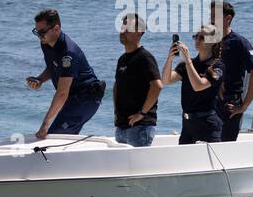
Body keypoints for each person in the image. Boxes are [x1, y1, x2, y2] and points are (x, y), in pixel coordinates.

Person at [25, 9, 104, 139]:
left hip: (86, 98)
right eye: (36, 32)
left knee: (54, 136)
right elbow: (53, 66)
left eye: (42, 32)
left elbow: (62, 93)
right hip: (72, 99)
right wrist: (40, 79)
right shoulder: (46, 43)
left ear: (56, 29)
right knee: (59, 137)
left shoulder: (68, 53)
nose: (39, 36)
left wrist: (44, 125)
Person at [162, 24, 224, 144]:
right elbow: (166, 80)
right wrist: (170, 58)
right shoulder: (188, 64)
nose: (197, 40)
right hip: (188, 123)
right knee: (184, 161)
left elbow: (199, 86)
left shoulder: (217, 66)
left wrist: (188, 60)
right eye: (196, 36)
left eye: (202, 37)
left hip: (206, 122)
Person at [209, 0, 253, 141]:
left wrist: (244, 106)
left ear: (228, 18)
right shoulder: (210, 40)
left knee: (224, 146)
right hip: (211, 102)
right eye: (211, 16)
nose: (212, 20)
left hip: (230, 105)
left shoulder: (239, 42)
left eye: (215, 16)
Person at [113, 13, 162, 147]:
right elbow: (117, 86)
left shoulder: (145, 58)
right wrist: (116, 113)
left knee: (139, 168)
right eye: (122, 27)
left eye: (127, 28)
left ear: (139, 32)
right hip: (122, 126)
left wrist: (142, 113)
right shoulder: (122, 59)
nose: (123, 31)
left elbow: (157, 86)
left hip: (140, 127)